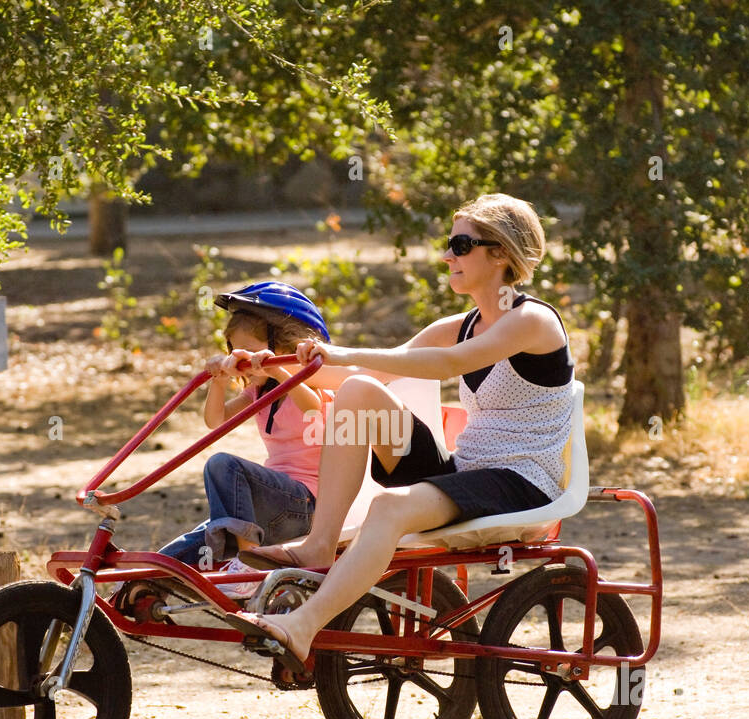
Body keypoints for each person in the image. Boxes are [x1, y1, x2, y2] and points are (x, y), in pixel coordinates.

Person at [229, 194, 577, 673]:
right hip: (465, 473)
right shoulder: (461, 325)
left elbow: (448, 364)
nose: (446, 256)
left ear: (500, 254)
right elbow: (352, 377)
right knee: (358, 390)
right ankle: (319, 542)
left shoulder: (531, 321)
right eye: (448, 244)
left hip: (520, 480)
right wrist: (273, 367)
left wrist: (345, 351)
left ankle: (304, 627)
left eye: (460, 244)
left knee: (388, 506)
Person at [130, 282, 334, 601]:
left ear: (280, 346)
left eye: (250, 352)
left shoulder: (310, 381)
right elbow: (215, 421)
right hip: (271, 506)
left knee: (222, 465)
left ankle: (248, 567)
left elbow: (314, 407)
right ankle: (141, 584)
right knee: (200, 539)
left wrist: (279, 369)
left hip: (306, 505)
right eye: (235, 351)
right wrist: (219, 382)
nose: (242, 360)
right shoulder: (257, 392)